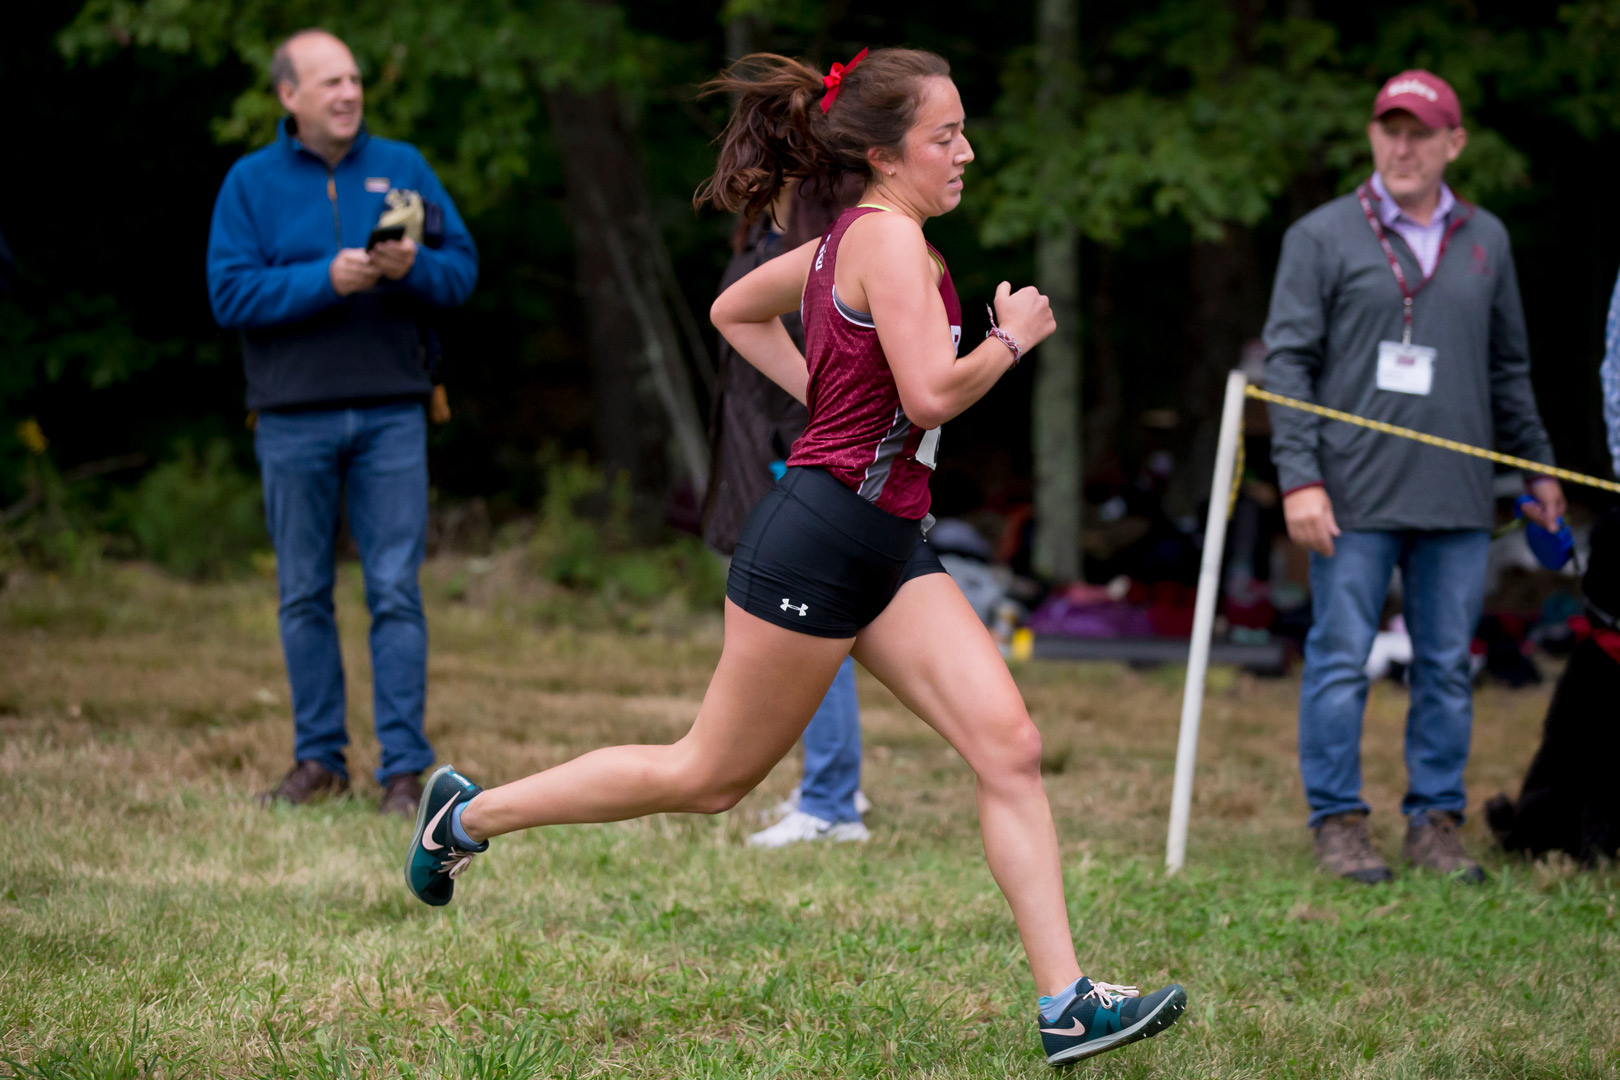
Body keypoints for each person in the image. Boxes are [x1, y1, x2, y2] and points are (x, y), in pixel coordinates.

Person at [404, 47, 1186, 1066]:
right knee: (708, 776)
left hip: (889, 544)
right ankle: (464, 819)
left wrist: (832, 397)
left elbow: (742, 311)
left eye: (962, 131)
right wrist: (1011, 339)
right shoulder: (886, 245)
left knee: (1010, 747)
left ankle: (1066, 1005)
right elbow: (927, 397)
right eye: (945, 136)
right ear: (882, 152)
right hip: (815, 546)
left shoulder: (863, 242)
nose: (967, 152)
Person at [1264, 69, 1564, 884]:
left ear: (1453, 143)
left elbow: (1510, 369)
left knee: (1445, 664)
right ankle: (1337, 824)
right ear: (1371, 136)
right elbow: (1285, 367)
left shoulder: (1487, 239)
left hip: (1458, 499)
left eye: (1421, 132)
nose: (1402, 145)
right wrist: (1299, 477)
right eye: (1389, 128)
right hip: (1349, 496)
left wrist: (1537, 467)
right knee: (1337, 659)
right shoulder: (1321, 236)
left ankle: (1435, 822)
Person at [206, 29, 478, 816]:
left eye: (354, 79)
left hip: (394, 409)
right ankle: (319, 761)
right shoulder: (249, 183)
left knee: (395, 588)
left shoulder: (405, 166)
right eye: (329, 82)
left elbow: (461, 272)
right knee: (302, 595)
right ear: (288, 96)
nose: (349, 94)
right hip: (291, 417)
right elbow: (229, 296)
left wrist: (412, 268)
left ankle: (403, 772)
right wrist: (324, 279)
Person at [702, 178, 872, 847]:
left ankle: (831, 801)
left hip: (802, 455)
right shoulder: (764, 237)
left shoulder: (822, 243)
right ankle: (827, 788)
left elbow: (827, 357)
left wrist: (796, 447)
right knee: (811, 627)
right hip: (766, 455)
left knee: (809, 628)